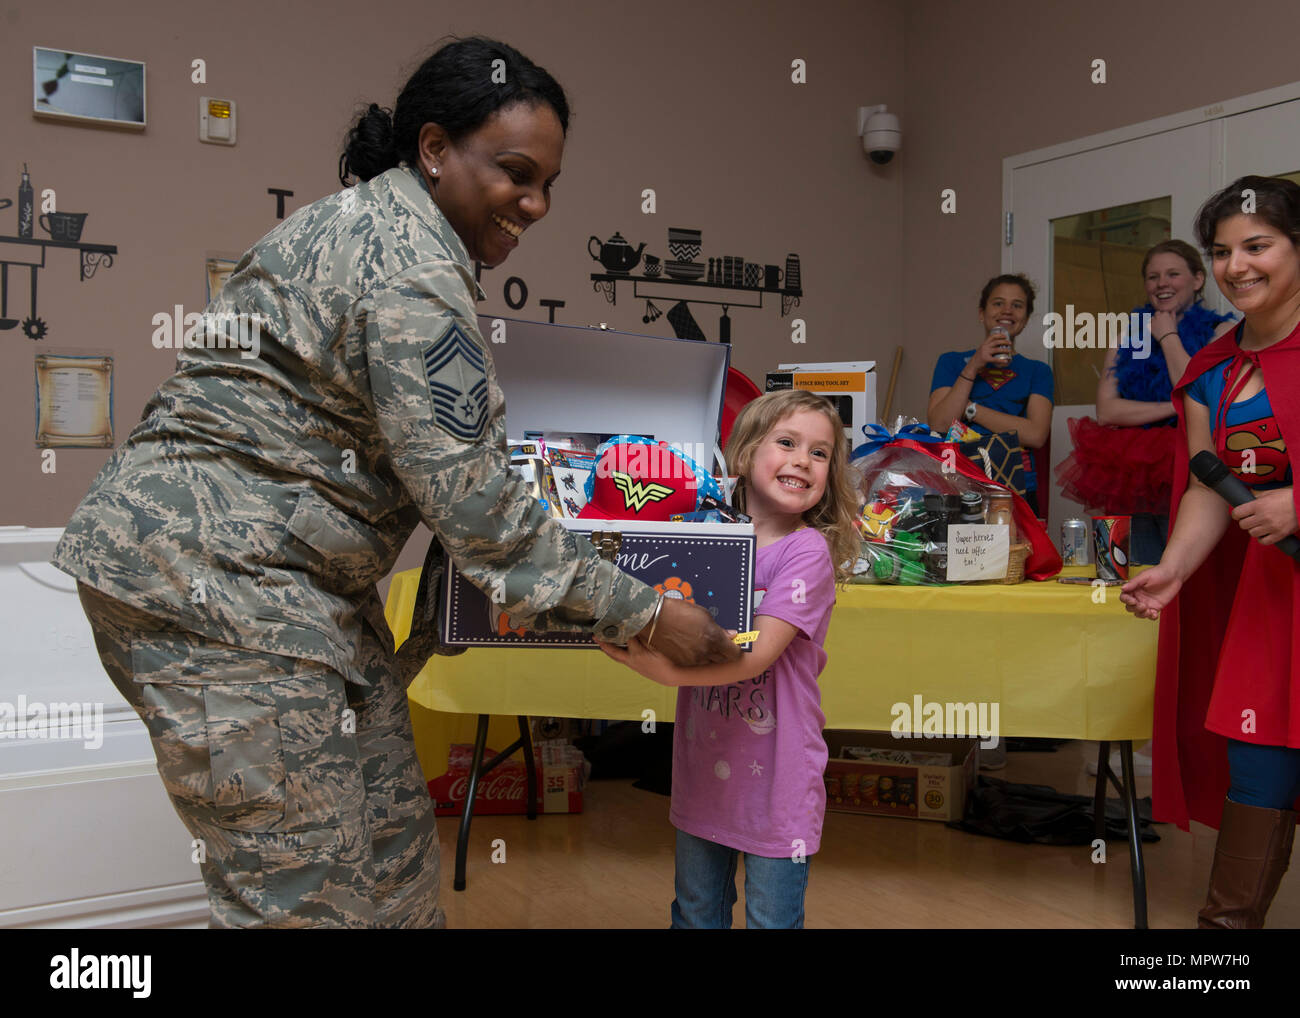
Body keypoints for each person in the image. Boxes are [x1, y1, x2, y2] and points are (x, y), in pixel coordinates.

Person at [50, 37, 738, 930]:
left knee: (390, 857)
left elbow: (450, 489)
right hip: (218, 594)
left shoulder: (377, 229)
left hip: (294, 594)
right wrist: (646, 611)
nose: (533, 204)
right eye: (516, 172)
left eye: (548, 185)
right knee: (304, 898)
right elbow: (480, 509)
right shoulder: (411, 268)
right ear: (434, 149)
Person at [599, 389, 859, 928]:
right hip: (702, 774)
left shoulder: (806, 552)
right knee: (695, 914)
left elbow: (756, 657)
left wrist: (663, 671)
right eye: (786, 443)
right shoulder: (704, 537)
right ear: (743, 455)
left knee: (771, 920)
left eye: (819, 453)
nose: (802, 461)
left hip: (779, 782)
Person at [1121, 174, 1300, 928]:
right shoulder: (1212, 369)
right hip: (1271, 596)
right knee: (1257, 771)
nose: (1237, 266)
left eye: (1256, 246)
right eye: (1222, 252)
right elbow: (1207, 483)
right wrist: (1176, 567)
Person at [1055, 240, 1235, 563]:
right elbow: (1108, 411)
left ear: (1197, 279)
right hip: (1131, 471)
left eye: (1172, 274)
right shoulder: (1130, 336)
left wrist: (1168, 336)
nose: (1161, 283)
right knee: (1132, 564)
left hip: (1190, 458)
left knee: (1187, 566)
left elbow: (1193, 388)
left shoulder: (1221, 332)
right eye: (1153, 277)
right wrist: (1175, 407)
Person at [927, 274, 1054, 513]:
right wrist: (974, 364)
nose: (1007, 310)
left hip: (1016, 485)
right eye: (998, 303)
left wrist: (970, 409)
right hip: (958, 479)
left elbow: (1036, 434)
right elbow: (940, 422)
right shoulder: (952, 362)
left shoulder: (1038, 371)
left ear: (1025, 319)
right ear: (981, 313)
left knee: (1014, 551)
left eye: (1017, 305)